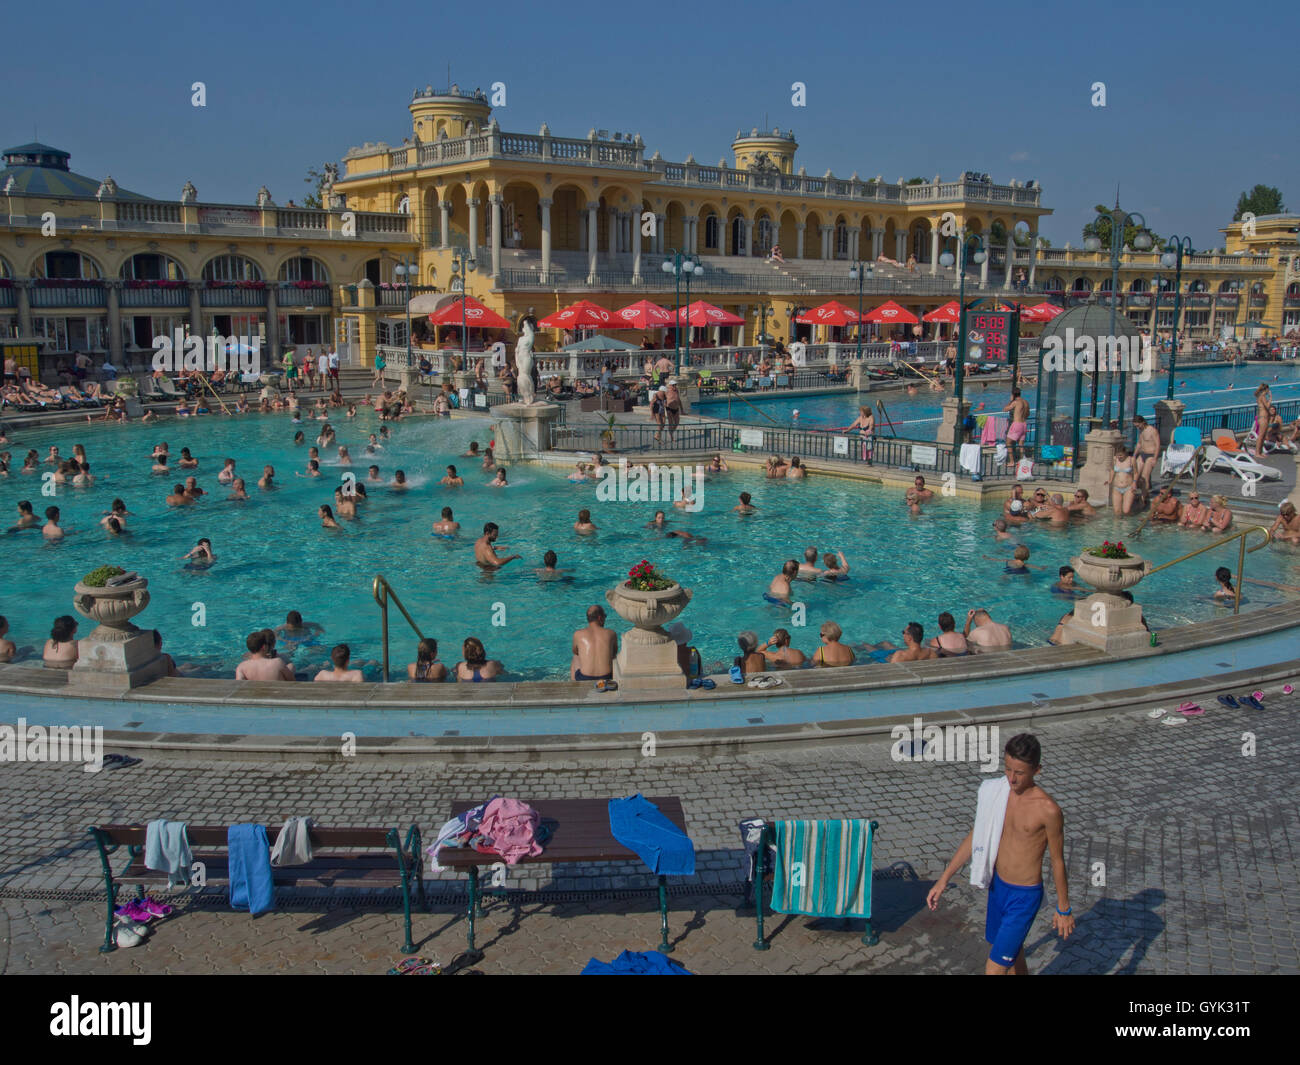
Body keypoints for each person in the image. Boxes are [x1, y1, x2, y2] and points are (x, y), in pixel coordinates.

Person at [926, 733, 1074, 975]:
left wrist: (1064, 908)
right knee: (1012, 955)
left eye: (1020, 773)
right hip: (998, 888)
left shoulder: (1048, 810)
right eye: (1008, 769)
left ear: (1037, 770)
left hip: (1024, 897)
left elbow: (1058, 861)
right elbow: (977, 836)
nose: (1012, 779)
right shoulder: (998, 793)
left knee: (994, 970)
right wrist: (944, 879)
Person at [571, 604, 618, 682]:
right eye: (605, 616)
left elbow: (575, 652)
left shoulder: (578, 634)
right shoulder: (611, 633)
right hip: (607, 677)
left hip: (584, 678)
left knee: (575, 657)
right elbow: (614, 653)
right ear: (600, 618)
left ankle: (574, 684)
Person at [1132, 415, 1160, 493]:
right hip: (1143, 454)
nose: (1137, 427)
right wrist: (1134, 455)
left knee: (1145, 477)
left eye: (1138, 425)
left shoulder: (1152, 430)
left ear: (1143, 422)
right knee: (1135, 474)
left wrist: (1155, 458)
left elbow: (1158, 445)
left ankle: (1144, 497)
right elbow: (1139, 443)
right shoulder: (1141, 430)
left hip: (1151, 455)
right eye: (1136, 426)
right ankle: (1139, 491)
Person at [1003, 388, 1030, 465]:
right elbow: (1027, 414)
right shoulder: (1026, 402)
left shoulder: (1016, 402)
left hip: (1017, 424)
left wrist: (1011, 401)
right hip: (1024, 424)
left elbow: (1004, 409)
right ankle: (1022, 460)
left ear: (1013, 395)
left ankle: (1011, 461)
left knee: (1008, 443)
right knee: (1021, 444)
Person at [1108, 443, 1135, 517]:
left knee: (1126, 511)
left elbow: (1136, 473)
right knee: (1117, 512)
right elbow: (1112, 470)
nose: (1119, 457)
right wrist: (1110, 480)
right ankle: (1116, 527)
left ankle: (1128, 521)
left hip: (1128, 487)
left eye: (1121, 455)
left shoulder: (1131, 460)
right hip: (1116, 487)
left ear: (1125, 453)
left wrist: (1135, 482)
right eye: (1117, 455)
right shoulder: (1114, 459)